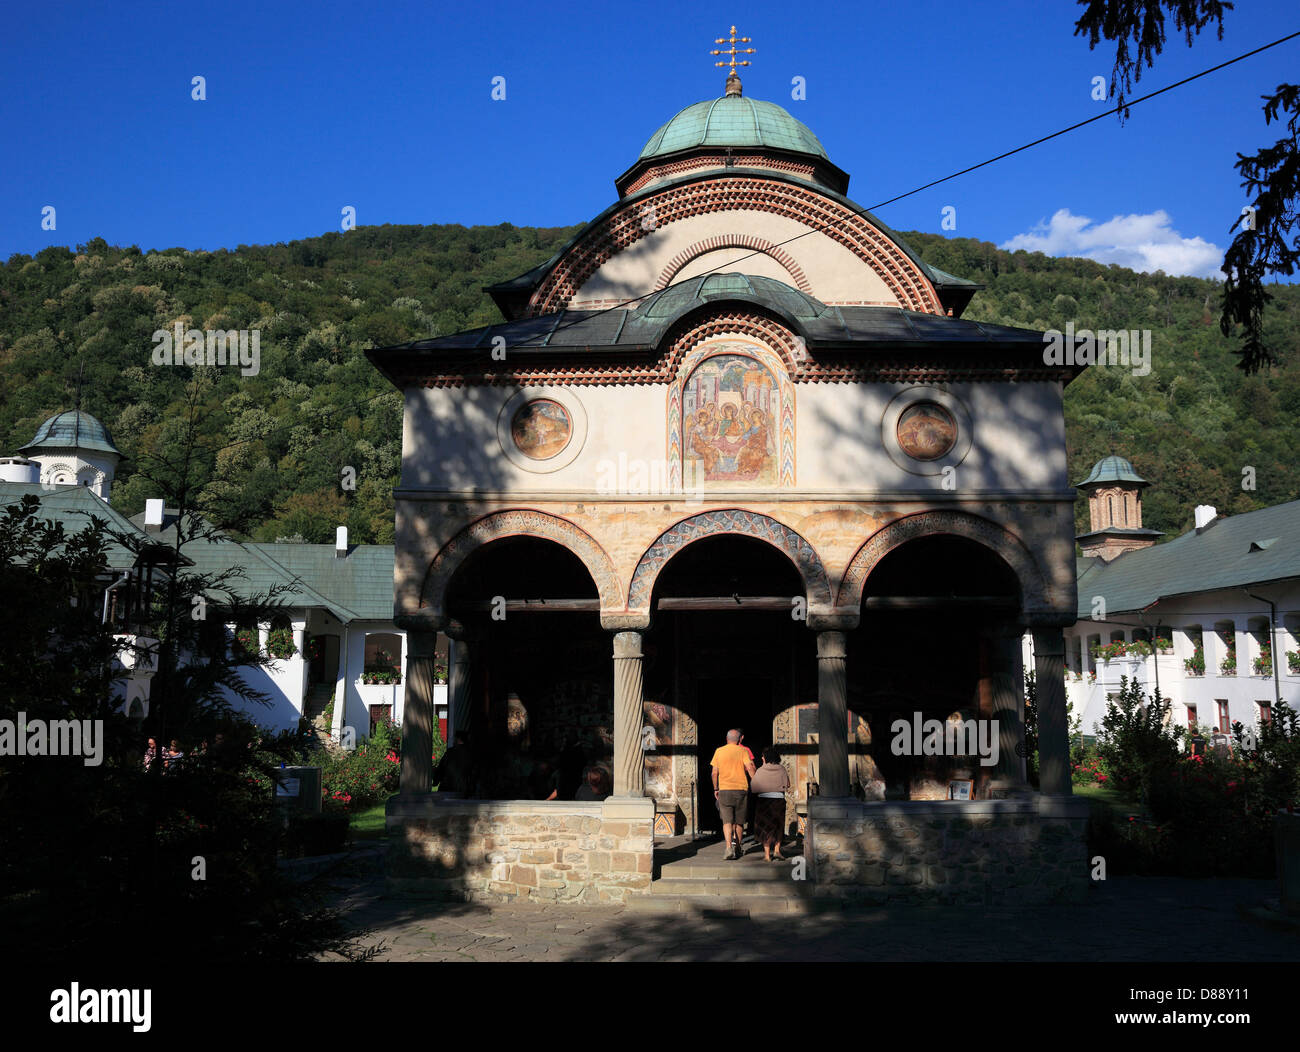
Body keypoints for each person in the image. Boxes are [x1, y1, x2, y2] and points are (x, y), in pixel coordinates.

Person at [710, 729, 755, 860]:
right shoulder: (743, 751)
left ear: (727, 739)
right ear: (739, 739)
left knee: (727, 821)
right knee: (740, 822)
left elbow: (714, 773)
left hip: (724, 790)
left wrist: (715, 788)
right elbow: (750, 768)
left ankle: (729, 847)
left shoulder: (719, 751)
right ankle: (738, 847)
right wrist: (756, 783)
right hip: (741, 789)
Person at [749, 747, 792, 861]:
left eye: (763, 756)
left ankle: (767, 855)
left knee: (765, 827)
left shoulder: (760, 771)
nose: (761, 758)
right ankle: (777, 850)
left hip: (764, 801)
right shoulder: (782, 769)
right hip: (778, 800)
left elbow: (753, 788)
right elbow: (787, 784)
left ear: (766, 757)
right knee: (778, 825)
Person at [432, 731, 472, 795]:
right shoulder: (471, 754)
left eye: (454, 738)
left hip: (448, 788)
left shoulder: (450, 752)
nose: (453, 740)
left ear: (458, 739)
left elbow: (441, 768)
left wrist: (435, 780)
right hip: (464, 790)